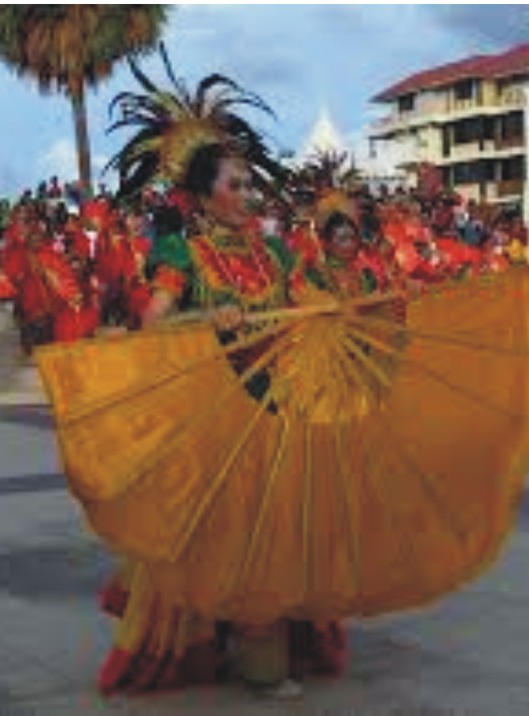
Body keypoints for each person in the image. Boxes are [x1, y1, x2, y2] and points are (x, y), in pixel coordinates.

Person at [94, 53, 358, 699]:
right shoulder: (180, 252)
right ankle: (247, 649)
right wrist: (211, 316)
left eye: (250, 184)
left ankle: (273, 638)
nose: (248, 196)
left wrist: (333, 312)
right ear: (201, 194)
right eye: (235, 185)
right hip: (217, 420)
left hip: (282, 410)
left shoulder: (273, 251)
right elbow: (153, 327)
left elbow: (302, 304)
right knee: (234, 536)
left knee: (282, 530)